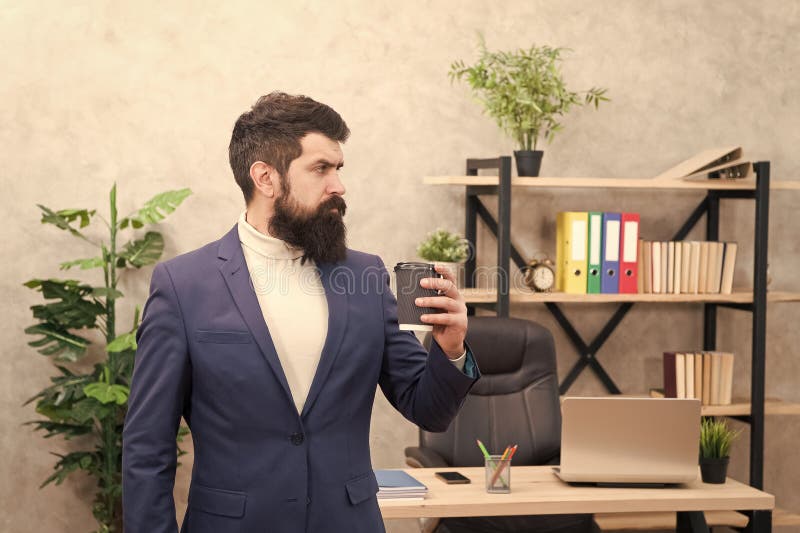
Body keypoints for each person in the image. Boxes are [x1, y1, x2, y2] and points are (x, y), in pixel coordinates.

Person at [122, 92, 480, 533]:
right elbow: (147, 447)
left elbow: (428, 409)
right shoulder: (183, 285)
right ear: (265, 177)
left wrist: (451, 348)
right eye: (321, 169)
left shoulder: (366, 275)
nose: (339, 185)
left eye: (339, 168)